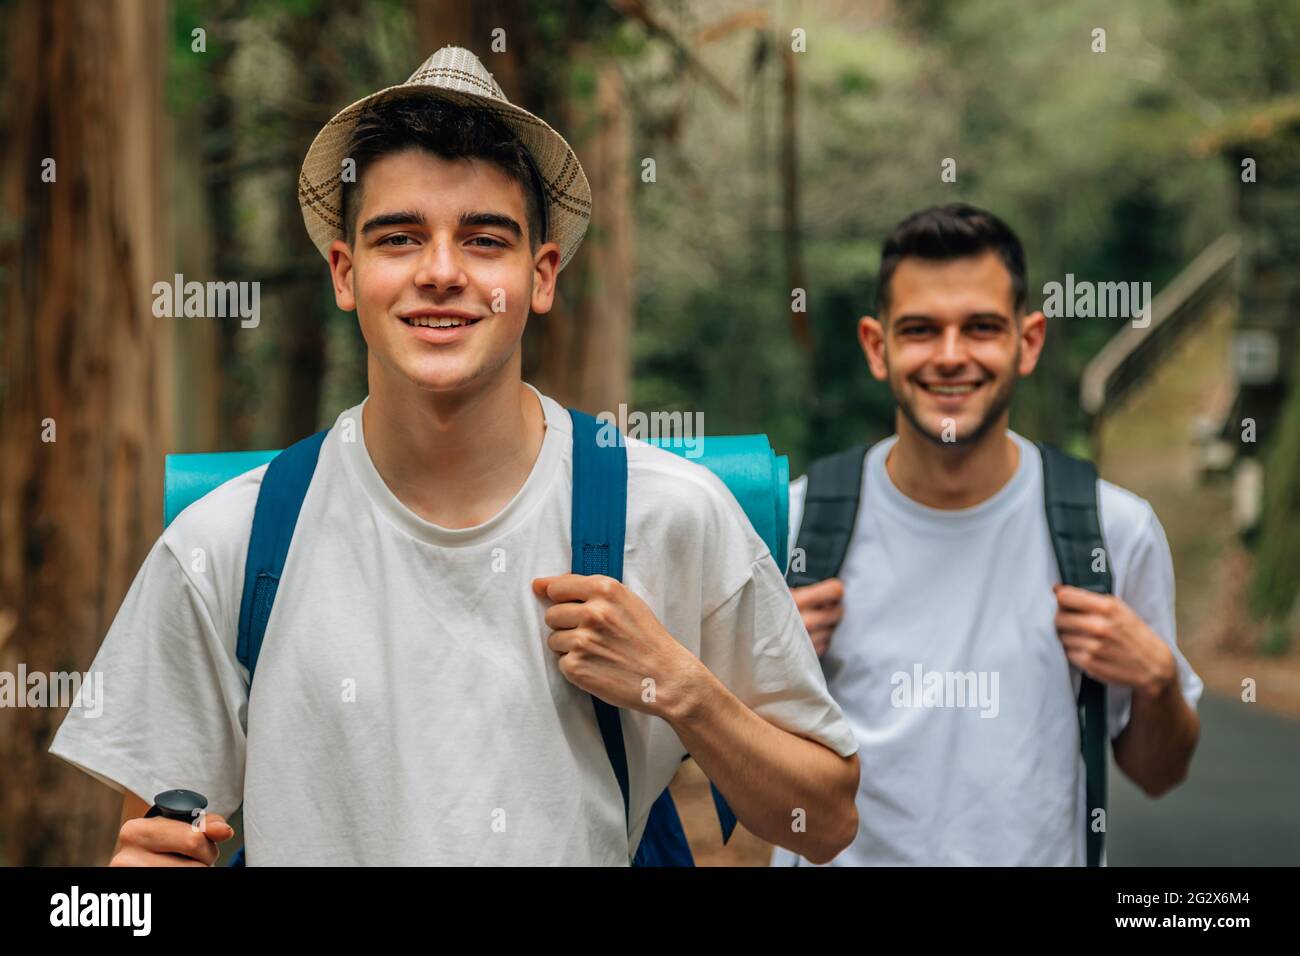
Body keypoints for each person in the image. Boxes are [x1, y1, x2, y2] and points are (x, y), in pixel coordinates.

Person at [50, 46, 859, 866]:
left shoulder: (671, 515)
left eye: (483, 240)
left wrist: (682, 688)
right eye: (399, 238)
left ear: (541, 276)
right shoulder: (225, 543)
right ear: (345, 271)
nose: (441, 273)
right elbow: (149, 858)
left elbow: (824, 822)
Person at [774, 203, 1202, 866]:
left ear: (1027, 342)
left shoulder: (1114, 530)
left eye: (980, 328)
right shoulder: (796, 526)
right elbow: (743, 784)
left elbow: (1160, 772)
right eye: (919, 329)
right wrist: (770, 672)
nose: (951, 357)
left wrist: (1158, 682)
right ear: (875, 345)